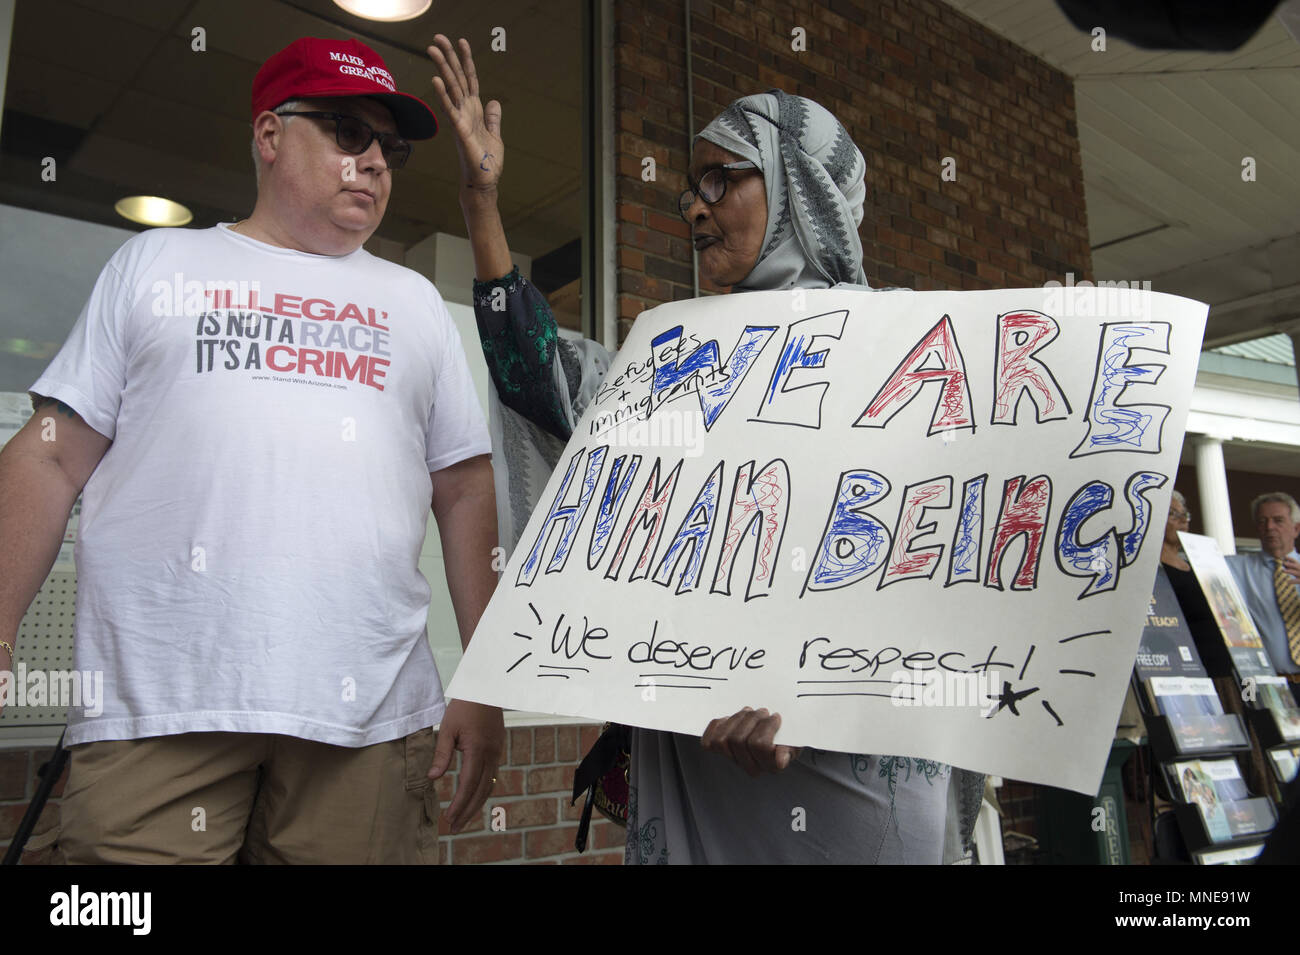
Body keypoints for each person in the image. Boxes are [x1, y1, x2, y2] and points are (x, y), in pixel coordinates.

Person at [428, 36, 984, 864]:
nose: (693, 205)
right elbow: (543, 383)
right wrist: (482, 205)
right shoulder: (681, 358)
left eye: (721, 179)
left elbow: (943, 557)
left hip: (851, 778)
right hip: (697, 749)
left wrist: (809, 703)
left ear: (799, 184)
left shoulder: (911, 348)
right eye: (693, 186)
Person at [0, 36, 504, 863]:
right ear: (270, 135)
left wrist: (484, 680)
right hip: (159, 709)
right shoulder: (160, 263)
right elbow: (50, 456)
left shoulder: (414, 303)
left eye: (393, 146)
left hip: (364, 724)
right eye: (348, 131)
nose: (375, 160)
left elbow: (465, 489)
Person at [1226, 493, 1300, 699]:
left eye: (1278, 521)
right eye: (1262, 522)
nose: (1269, 528)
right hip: (1267, 685)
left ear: (1296, 528)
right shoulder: (1235, 568)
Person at [1159, 492, 1233, 677]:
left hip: (1222, 665)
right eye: (1172, 514)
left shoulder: (1202, 566)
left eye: (1185, 514)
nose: (1183, 519)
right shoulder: (1153, 570)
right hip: (1182, 667)